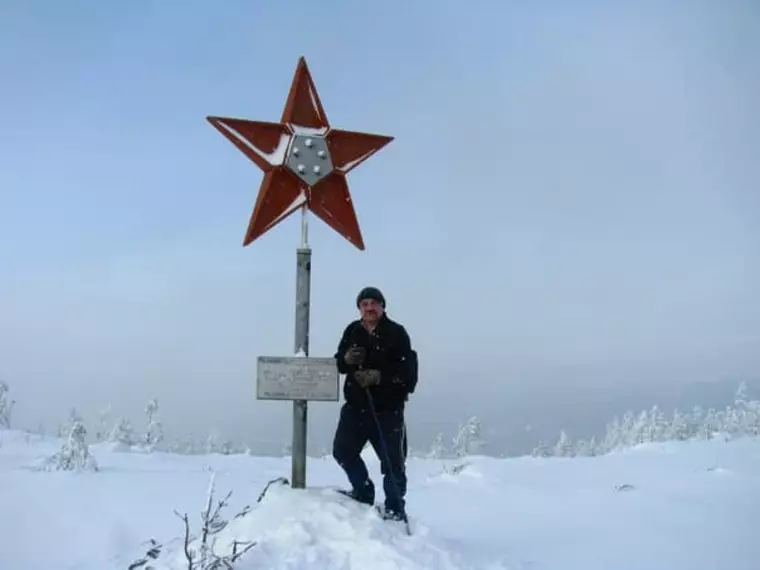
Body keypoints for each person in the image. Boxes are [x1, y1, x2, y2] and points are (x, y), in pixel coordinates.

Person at [332, 286, 417, 521]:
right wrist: (347, 359)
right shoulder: (352, 331)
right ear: (359, 308)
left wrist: (379, 376)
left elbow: (408, 372)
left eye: (374, 303)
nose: (369, 308)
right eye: (364, 304)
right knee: (343, 451)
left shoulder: (397, 333)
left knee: (392, 463)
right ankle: (363, 491)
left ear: (382, 306)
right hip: (355, 408)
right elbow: (339, 363)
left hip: (387, 410)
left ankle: (395, 507)